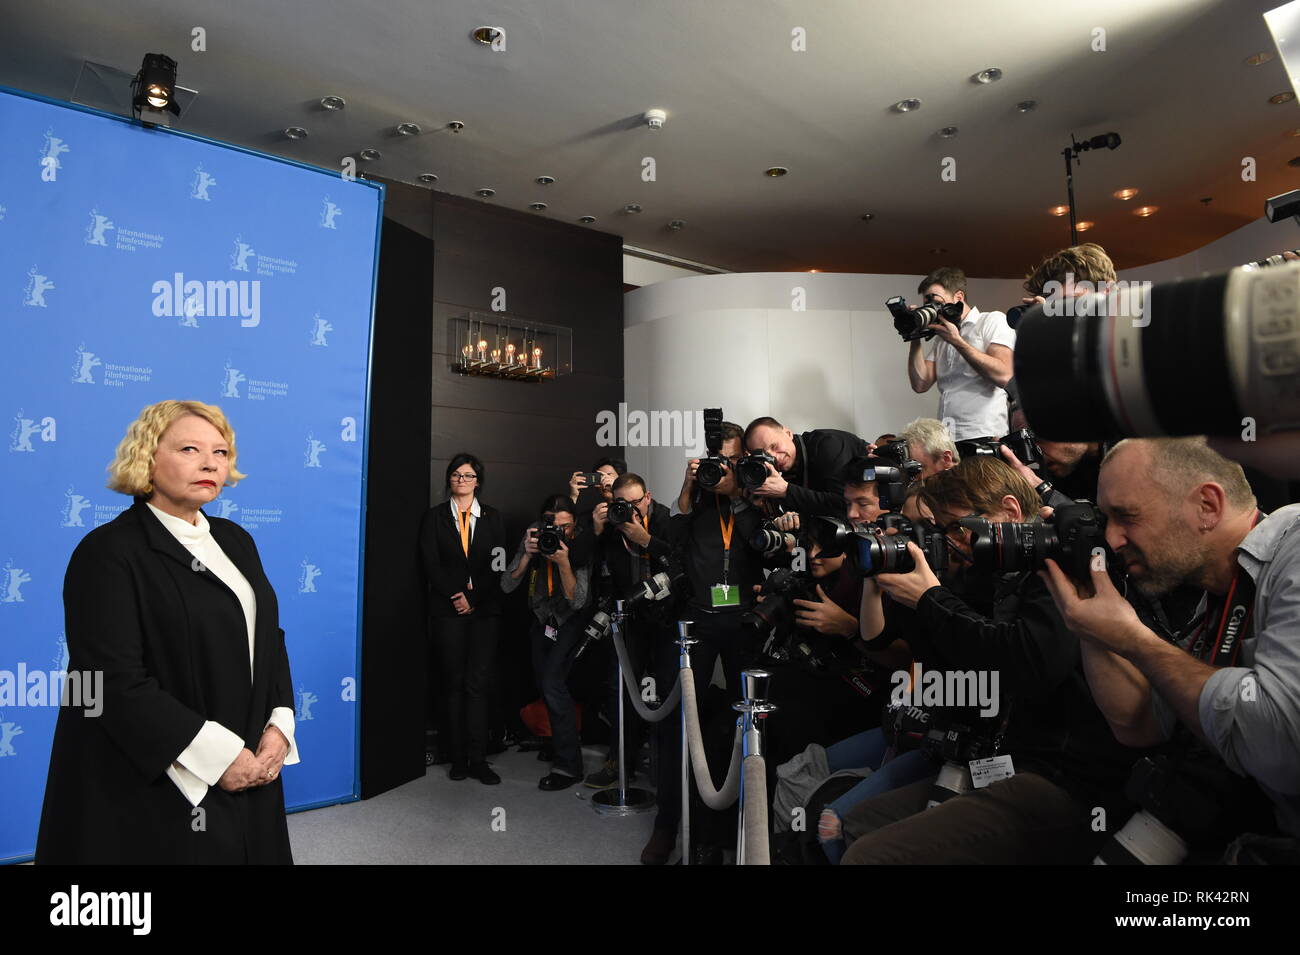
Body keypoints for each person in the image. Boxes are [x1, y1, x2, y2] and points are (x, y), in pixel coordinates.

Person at [36, 400, 298, 864]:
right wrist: (219, 757)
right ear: (148, 458)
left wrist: (279, 724)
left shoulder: (237, 540)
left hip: (252, 763)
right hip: (156, 784)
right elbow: (109, 684)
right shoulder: (108, 553)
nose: (209, 463)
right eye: (190, 449)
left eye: (220, 452)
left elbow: (268, 638)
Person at [1041, 437, 1300, 842]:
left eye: (1127, 516)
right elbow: (1138, 724)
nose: (1111, 539)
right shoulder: (1213, 600)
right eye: (1106, 519)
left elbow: (1280, 745)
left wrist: (1137, 642)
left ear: (1207, 507)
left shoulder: (1295, 548)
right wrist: (1089, 623)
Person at [419, 453, 507, 785]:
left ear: (478, 481)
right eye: (456, 475)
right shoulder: (434, 518)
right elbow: (430, 563)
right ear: (449, 479)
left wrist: (474, 597)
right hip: (447, 611)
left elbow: (498, 564)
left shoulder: (494, 519)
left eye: (468, 476)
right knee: (452, 684)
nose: (461, 480)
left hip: (485, 612)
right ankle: (457, 759)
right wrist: (456, 595)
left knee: (477, 685)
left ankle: (479, 758)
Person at [585, 472, 676, 788]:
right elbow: (592, 567)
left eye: (636, 503)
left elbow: (682, 564)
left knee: (667, 690)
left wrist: (645, 539)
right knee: (622, 691)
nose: (630, 511)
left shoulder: (666, 520)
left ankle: (666, 768)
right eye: (621, 504)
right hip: (630, 619)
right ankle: (619, 762)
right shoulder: (612, 524)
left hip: (666, 619)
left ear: (647, 498)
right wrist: (595, 532)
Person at [501, 495, 591, 790]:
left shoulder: (582, 543)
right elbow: (507, 584)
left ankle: (569, 765)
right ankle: (557, 740)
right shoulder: (536, 535)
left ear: (574, 525)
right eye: (554, 526)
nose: (559, 534)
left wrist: (564, 562)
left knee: (553, 684)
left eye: (565, 527)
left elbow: (577, 601)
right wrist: (527, 554)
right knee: (544, 683)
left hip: (569, 620)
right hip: (542, 618)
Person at [903, 267, 1015, 441]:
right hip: (948, 437)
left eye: (937, 302)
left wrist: (957, 341)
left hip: (984, 433)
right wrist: (914, 336)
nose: (934, 309)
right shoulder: (941, 337)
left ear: (959, 297)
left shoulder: (991, 320)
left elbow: (1004, 375)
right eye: (928, 304)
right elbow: (920, 384)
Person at [742, 416, 868, 518]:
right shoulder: (785, 473)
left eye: (775, 446)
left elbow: (845, 506)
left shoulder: (827, 445)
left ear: (788, 433)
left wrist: (786, 491)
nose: (775, 457)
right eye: (766, 455)